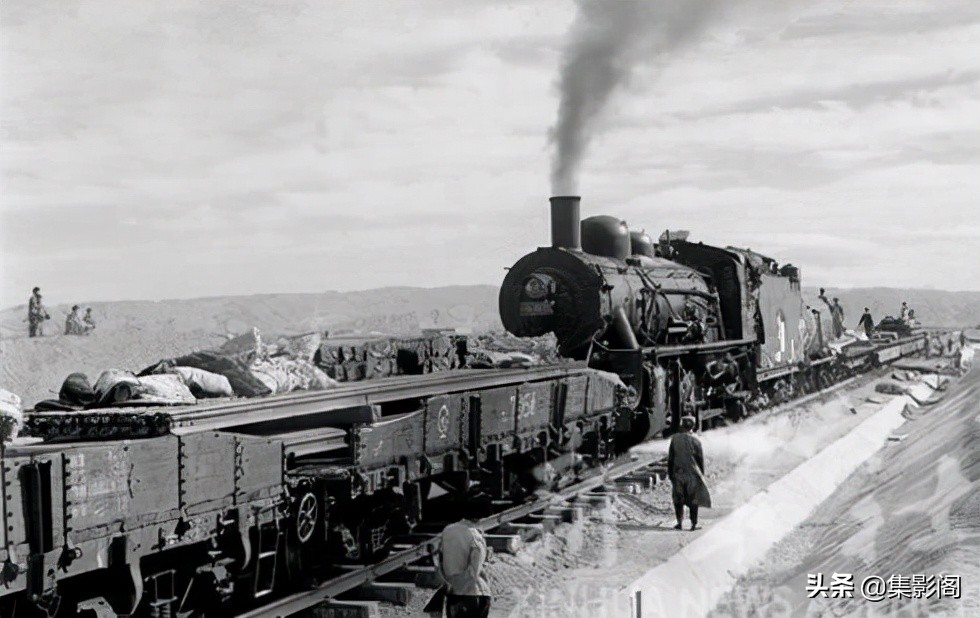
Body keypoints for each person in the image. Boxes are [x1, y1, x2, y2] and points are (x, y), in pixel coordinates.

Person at [434, 507, 492, 618]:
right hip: (473, 593)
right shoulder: (475, 535)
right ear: (478, 520)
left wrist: (450, 584)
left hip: (452, 593)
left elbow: (439, 559)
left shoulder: (447, 530)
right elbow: (475, 569)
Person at [668, 415, 711, 531]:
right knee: (693, 499)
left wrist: (670, 474)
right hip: (692, 473)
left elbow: (671, 458)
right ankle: (693, 524)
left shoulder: (675, 439)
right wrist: (701, 474)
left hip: (678, 472)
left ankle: (679, 523)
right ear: (693, 426)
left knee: (678, 498)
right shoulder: (696, 441)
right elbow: (700, 459)